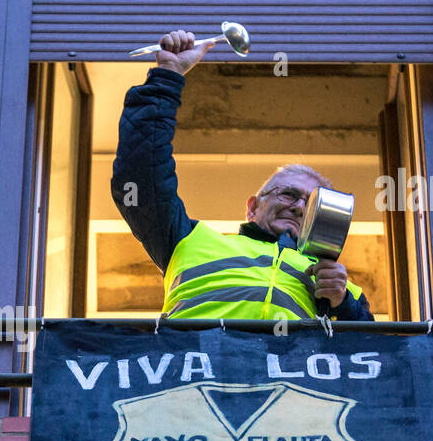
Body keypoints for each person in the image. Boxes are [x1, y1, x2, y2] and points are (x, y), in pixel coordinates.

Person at [110, 29, 374, 322]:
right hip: (199, 366)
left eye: (312, 204)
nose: (299, 207)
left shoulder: (342, 287)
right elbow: (140, 177)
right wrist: (168, 74)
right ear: (252, 206)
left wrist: (343, 304)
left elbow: (379, 359)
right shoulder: (188, 240)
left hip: (284, 369)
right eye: (289, 193)